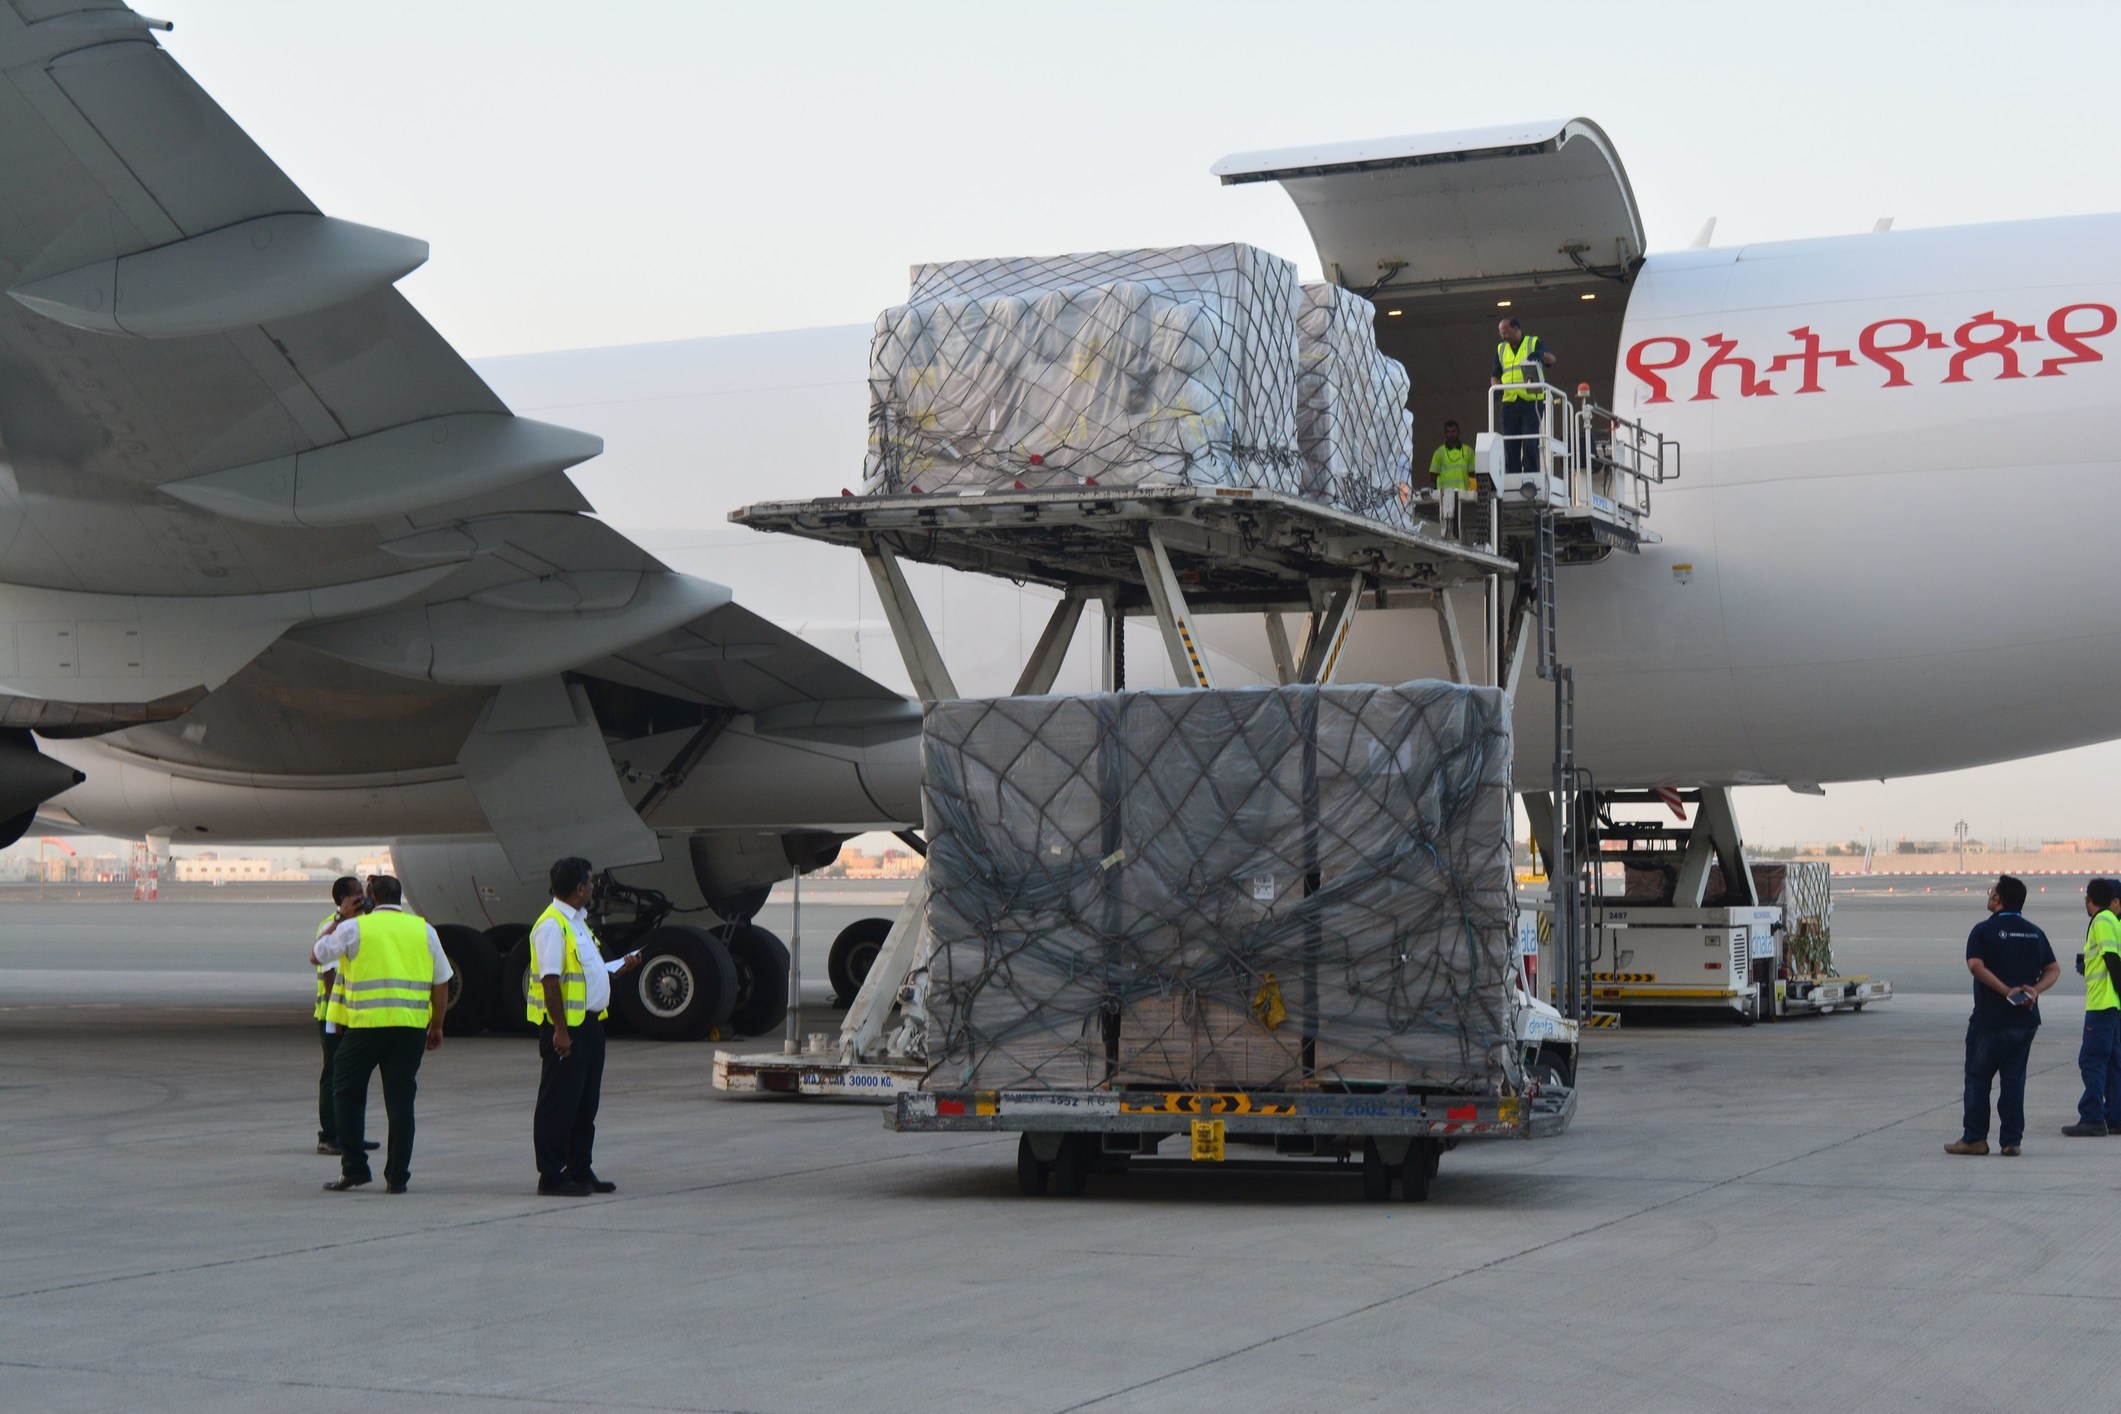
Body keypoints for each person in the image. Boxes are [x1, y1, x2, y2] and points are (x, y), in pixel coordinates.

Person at [313, 874, 452, 1193]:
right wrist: (438, 1025)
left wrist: (340, 917)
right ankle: (398, 1176)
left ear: (371, 897)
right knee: (401, 1101)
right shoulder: (424, 929)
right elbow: (441, 981)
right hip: (410, 1029)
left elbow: (317, 955)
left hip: (366, 1028)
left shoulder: (354, 928)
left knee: (346, 1092)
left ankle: (355, 1168)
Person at [528, 857, 642, 1197]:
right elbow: (550, 981)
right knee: (558, 1103)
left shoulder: (578, 922)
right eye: (591, 882)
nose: (594, 887)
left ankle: (579, 1167)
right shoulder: (552, 925)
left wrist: (617, 968)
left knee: (584, 1103)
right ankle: (551, 1174)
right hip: (568, 1029)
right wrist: (560, 1030)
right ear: (579, 888)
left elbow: (584, 972)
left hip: (590, 1025)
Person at [1946, 875, 2058, 1155]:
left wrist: (2006, 990)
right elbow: (2054, 969)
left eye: (1992, 891)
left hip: (1991, 1019)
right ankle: (2011, 1140)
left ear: (1998, 899)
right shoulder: (2035, 932)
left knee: (1978, 1078)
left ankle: (1974, 1138)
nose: (1989, 895)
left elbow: (1975, 965)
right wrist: (2034, 990)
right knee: (2014, 1080)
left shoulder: (1983, 931)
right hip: (2026, 1020)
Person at [311, 876, 376, 1157]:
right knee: (335, 1076)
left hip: (352, 1015)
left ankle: (352, 1135)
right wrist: (337, 1016)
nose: (363, 898)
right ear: (343, 901)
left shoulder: (361, 923)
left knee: (352, 1077)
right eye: (357, 895)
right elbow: (329, 973)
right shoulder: (334, 926)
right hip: (334, 1015)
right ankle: (330, 1135)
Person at [2063, 877, 2121, 1136]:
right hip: (2112, 1005)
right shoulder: (2114, 922)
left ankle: (2092, 1116)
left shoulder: (2102, 921)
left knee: (2092, 1060)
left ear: (2091, 899)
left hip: (2102, 1004)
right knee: (2112, 1063)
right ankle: (2115, 1117)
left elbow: (2112, 960)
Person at [1491, 317, 1556, 481]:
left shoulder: (1533, 342)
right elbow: (1495, 375)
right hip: (1509, 403)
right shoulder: (1501, 349)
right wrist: (1497, 390)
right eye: (1501, 334)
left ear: (1516, 329)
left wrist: (1541, 355)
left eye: (1506, 333)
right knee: (1510, 445)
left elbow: (1552, 359)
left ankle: (1530, 478)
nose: (1503, 337)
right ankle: (1512, 479)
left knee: (1530, 443)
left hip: (1531, 402)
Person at [1428, 419, 1477, 535]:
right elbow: (1433, 475)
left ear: (1459, 432)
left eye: (1454, 431)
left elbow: (1472, 474)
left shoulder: (1468, 451)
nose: (1452, 434)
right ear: (1445, 434)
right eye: (1449, 432)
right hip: (1444, 497)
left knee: (1462, 528)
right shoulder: (1439, 452)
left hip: (1463, 496)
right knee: (1445, 530)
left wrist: (1473, 492)